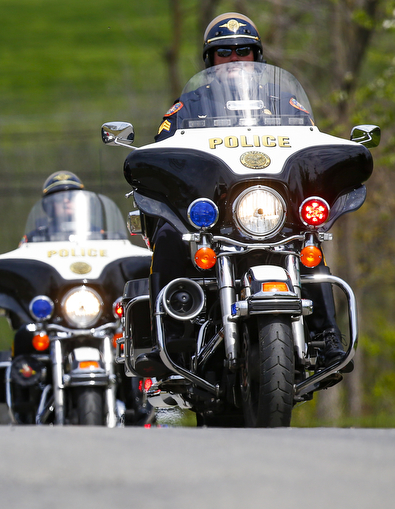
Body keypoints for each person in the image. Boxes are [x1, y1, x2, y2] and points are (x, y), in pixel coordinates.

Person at [144, 12, 346, 374]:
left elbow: (313, 141)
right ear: (210, 59)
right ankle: (171, 336)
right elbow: (162, 144)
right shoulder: (187, 106)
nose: (235, 59)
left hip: (271, 211)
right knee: (170, 233)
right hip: (215, 214)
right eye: (225, 52)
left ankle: (327, 334)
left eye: (243, 50)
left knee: (309, 241)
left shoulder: (286, 102)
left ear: (257, 56)